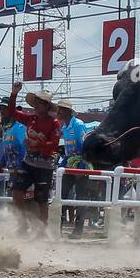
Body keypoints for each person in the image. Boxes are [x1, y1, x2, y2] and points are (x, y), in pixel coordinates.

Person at [6, 82, 62, 239]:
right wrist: (14, 94)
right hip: (29, 161)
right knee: (17, 191)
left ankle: (41, 230)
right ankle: (23, 223)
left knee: (42, 200)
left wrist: (38, 143)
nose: (36, 105)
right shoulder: (31, 119)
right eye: (36, 102)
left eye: (39, 103)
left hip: (44, 165)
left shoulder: (54, 123)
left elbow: (55, 144)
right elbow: (11, 112)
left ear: (46, 106)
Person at [55, 98, 90, 239]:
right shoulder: (64, 127)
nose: (58, 112)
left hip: (81, 165)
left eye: (60, 110)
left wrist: (81, 168)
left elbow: (85, 146)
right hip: (69, 165)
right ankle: (59, 226)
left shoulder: (78, 125)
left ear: (67, 111)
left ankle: (78, 229)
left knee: (81, 197)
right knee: (62, 194)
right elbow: (68, 150)